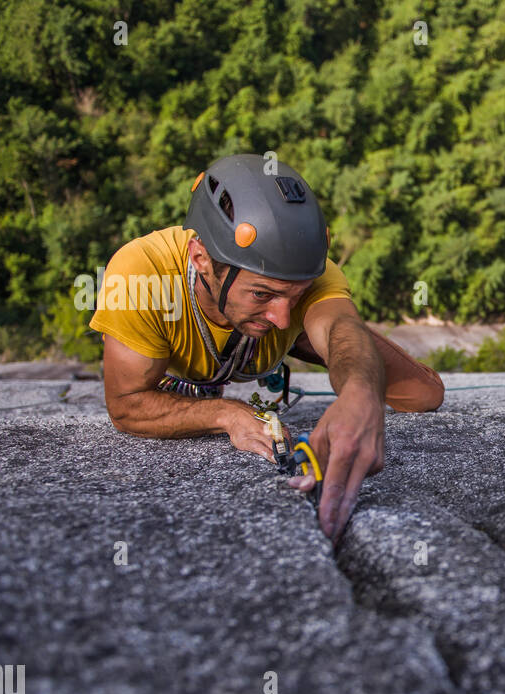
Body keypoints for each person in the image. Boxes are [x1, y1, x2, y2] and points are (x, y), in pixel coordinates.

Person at [89, 154, 444, 544]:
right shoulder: (143, 272)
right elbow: (125, 405)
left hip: (286, 344)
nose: (281, 316)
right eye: (262, 293)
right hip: (178, 340)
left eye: (298, 295)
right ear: (201, 259)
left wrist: (361, 394)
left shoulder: (306, 276)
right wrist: (226, 414)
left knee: (423, 394)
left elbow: (339, 325)